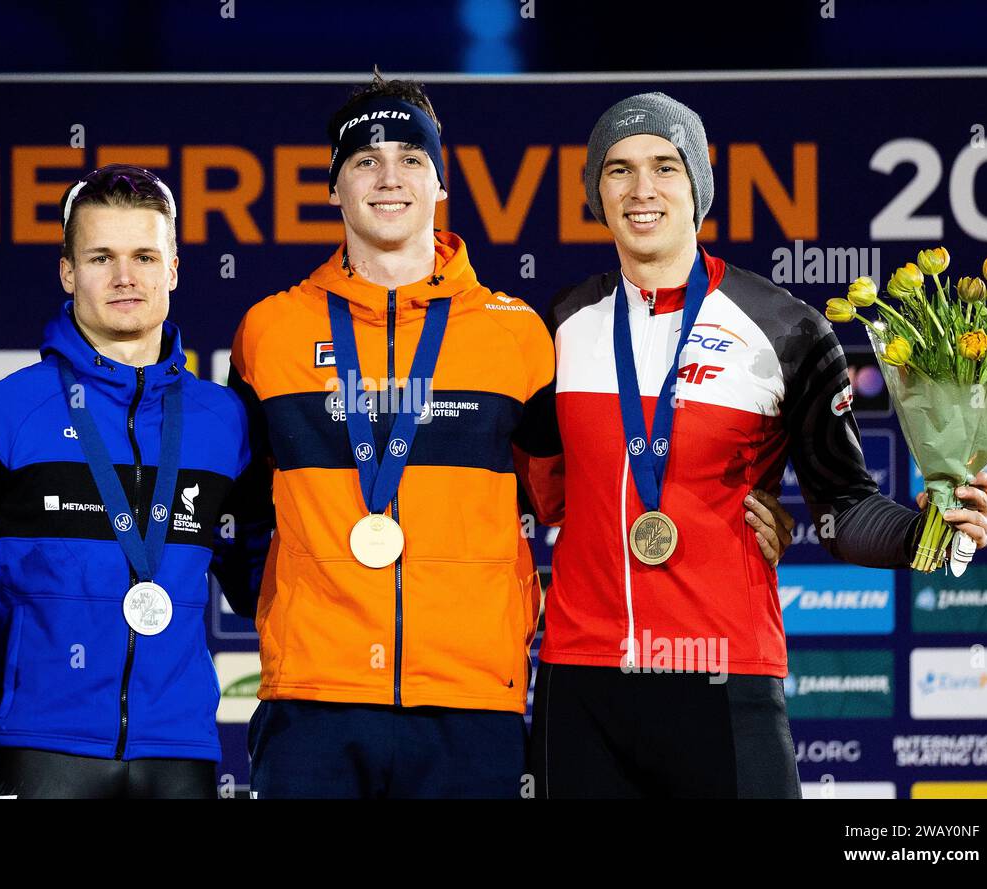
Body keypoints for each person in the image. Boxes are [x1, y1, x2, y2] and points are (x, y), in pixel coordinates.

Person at [224, 73, 793, 799]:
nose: (389, 177)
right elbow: (237, 497)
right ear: (333, 186)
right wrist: (277, 600)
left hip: (472, 703)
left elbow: (583, 490)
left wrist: (748, 507)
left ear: (439, 179)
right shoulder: (271, 331)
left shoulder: (517, 334)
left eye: (410, 157)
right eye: (364, 160)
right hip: (311, 696)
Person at [522, 92, 987, 799]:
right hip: (583, 678)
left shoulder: (785, 328)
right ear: (596, 191)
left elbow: (844, 506)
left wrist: (929, 529)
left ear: (699, 188)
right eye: (618, 170)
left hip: (725, 673)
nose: (642, 189)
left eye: (665, 166)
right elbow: (541, 492)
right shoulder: (556, 325)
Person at [0, 164, 263, 799]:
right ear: (68, 272)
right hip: (39, 747)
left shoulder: (223, 421)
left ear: (174, 269)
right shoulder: (1, 413)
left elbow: (270, 572)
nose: (126, 277)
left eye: (145, 256)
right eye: (102, 257)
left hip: (181, 750)